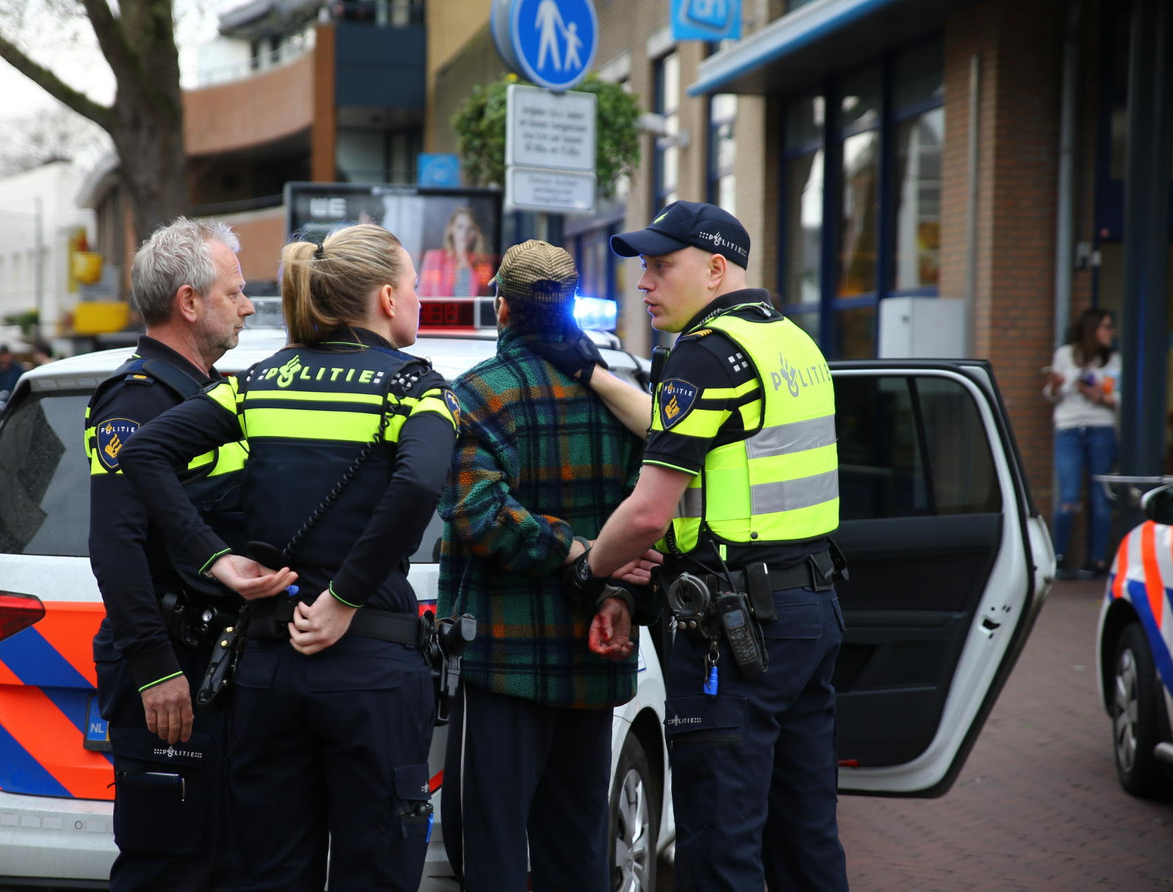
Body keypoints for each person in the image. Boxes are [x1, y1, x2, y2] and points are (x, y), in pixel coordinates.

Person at [119, 222, 459, 892]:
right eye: (416, 287)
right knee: (376, 873)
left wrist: (215, 559)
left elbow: (143, 454)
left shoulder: (258, 381)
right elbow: (419, 483)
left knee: (269, 875)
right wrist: (345, 598)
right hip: (370, 672)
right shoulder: (418, 388)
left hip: (267, 673)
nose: (418, 300)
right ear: (388, 298)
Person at [546, 201, 848, 891]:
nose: (644, 283)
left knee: (719, 848)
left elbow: (650, 512)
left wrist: (591, 572)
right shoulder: (792, 343)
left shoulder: (705, 355)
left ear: (715, 269)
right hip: (809, 611)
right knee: (805, 840)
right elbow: (692, 430)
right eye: (643, 268)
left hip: (737, 636)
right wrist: (594, 373)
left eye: (661, 266)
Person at [436, 241, 657, 892]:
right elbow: (645, 511)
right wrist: (614, 586)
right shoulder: (621, 400)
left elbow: (478, 513)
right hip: (596, 651)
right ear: (570, 310)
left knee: (493, 851)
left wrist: (572, 551)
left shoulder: (480, 392)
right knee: (577, 849)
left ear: (502, 307)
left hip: (505, 660)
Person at [85, 217, 275, 892]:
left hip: (214, 667)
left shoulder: (207, 394)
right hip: (175, 667)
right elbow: (115, 541)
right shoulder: (138, 398)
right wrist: (156, 667)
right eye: (235, 291)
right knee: (169, 868)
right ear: (189, 302)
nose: (248, 305)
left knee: (223, 863)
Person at [1043, 307, 1120, 580]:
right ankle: (1059, 559)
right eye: (1107, 326)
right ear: (1092, 329)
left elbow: (1117, 398)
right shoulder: (1065, 355)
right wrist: (1057, 384)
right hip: (1069, 430)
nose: (1112, 332)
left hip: (1101, 430)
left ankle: (1096, 560)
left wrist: (1096, 395)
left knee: (1101, 498)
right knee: (1068, 497)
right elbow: (1051, 396)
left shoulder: (1113, 360)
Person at [419, 207, 494, 298]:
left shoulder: (483, 266)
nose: (465, 233)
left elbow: (483, 301)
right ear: (451, 229)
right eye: (460, 227)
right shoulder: (433, 258)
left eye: (470, 228)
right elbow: (423, 295)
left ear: (476, 233)